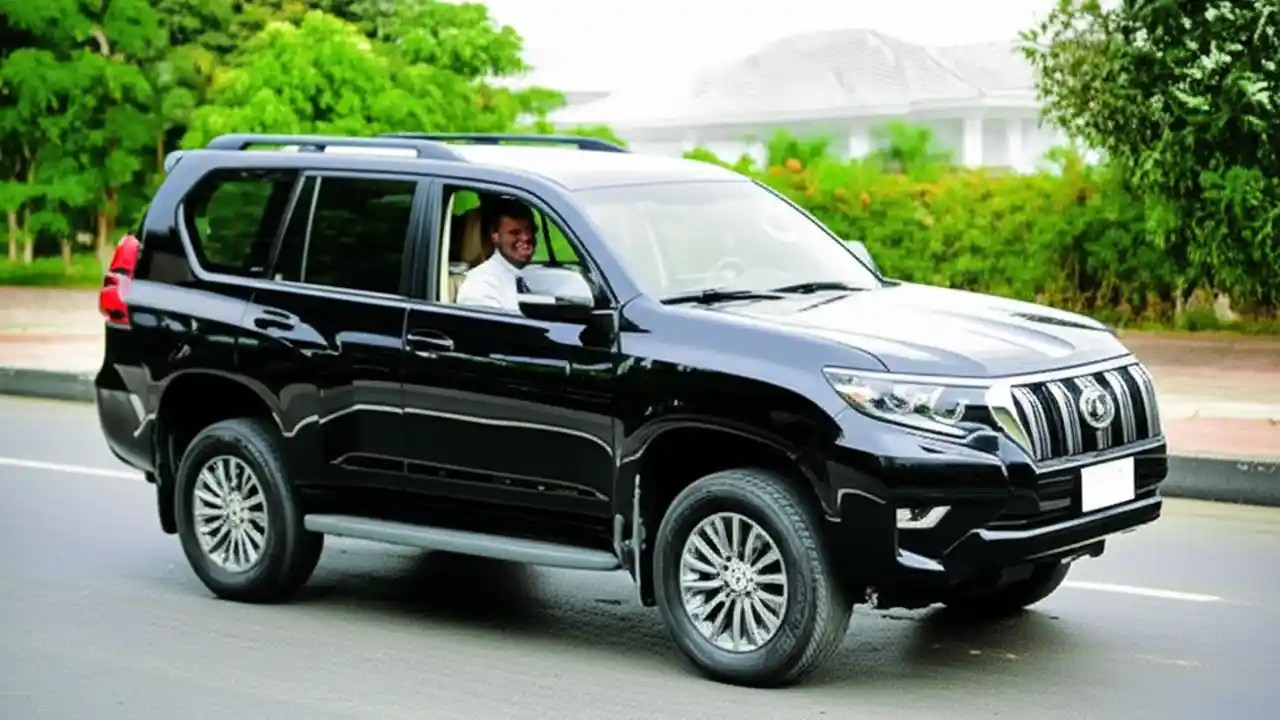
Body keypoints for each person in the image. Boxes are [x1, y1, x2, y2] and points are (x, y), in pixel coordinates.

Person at [455, 197, 537, 312]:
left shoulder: (520, 275)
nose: (526, 237)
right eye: (515, 232)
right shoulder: (481, 285)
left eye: (531, 230)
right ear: (495, 236)